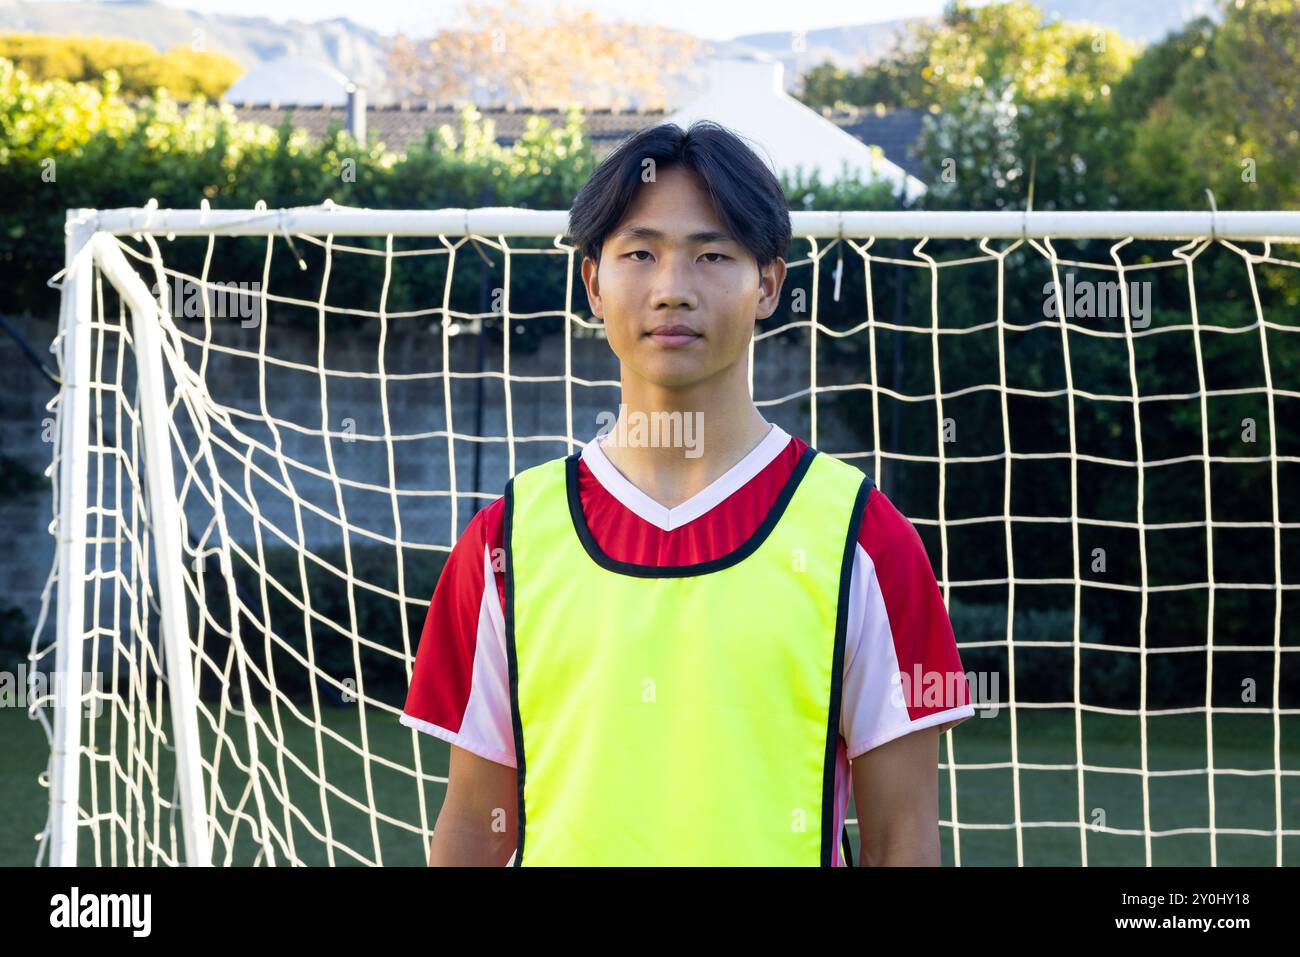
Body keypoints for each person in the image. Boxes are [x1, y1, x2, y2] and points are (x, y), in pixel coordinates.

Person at [401, 120, 974, 866]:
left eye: (711, 255)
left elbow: (903, 841)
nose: (672, 289)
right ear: (593, 281)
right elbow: (475, 823)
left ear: (768, 282)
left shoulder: (864, 538)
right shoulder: (505, 543)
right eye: (640, 253)